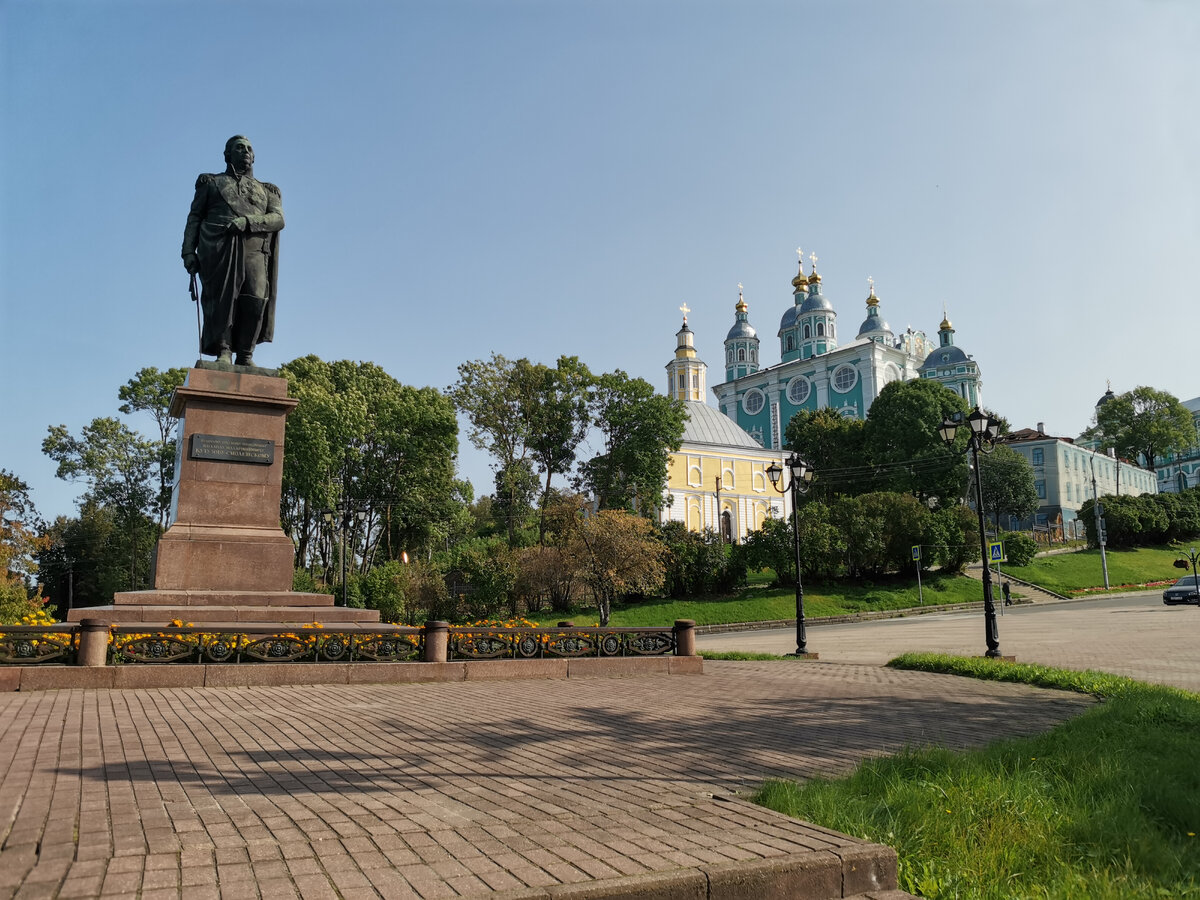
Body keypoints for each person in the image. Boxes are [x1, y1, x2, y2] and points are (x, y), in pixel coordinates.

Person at [182, 136, 284, 366]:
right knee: (223, 300)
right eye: (239, 147)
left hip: (254, 250)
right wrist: (188, 251)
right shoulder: (211, 183)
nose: (245, 151)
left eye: (249, 149)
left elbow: (278, 219)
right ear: (227, 154)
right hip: (218, 249)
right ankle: (224, 350)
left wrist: (248, 222)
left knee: (256, 299)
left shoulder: (267, 191)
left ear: (254, 156)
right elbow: (195, 217)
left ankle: (246, 354)